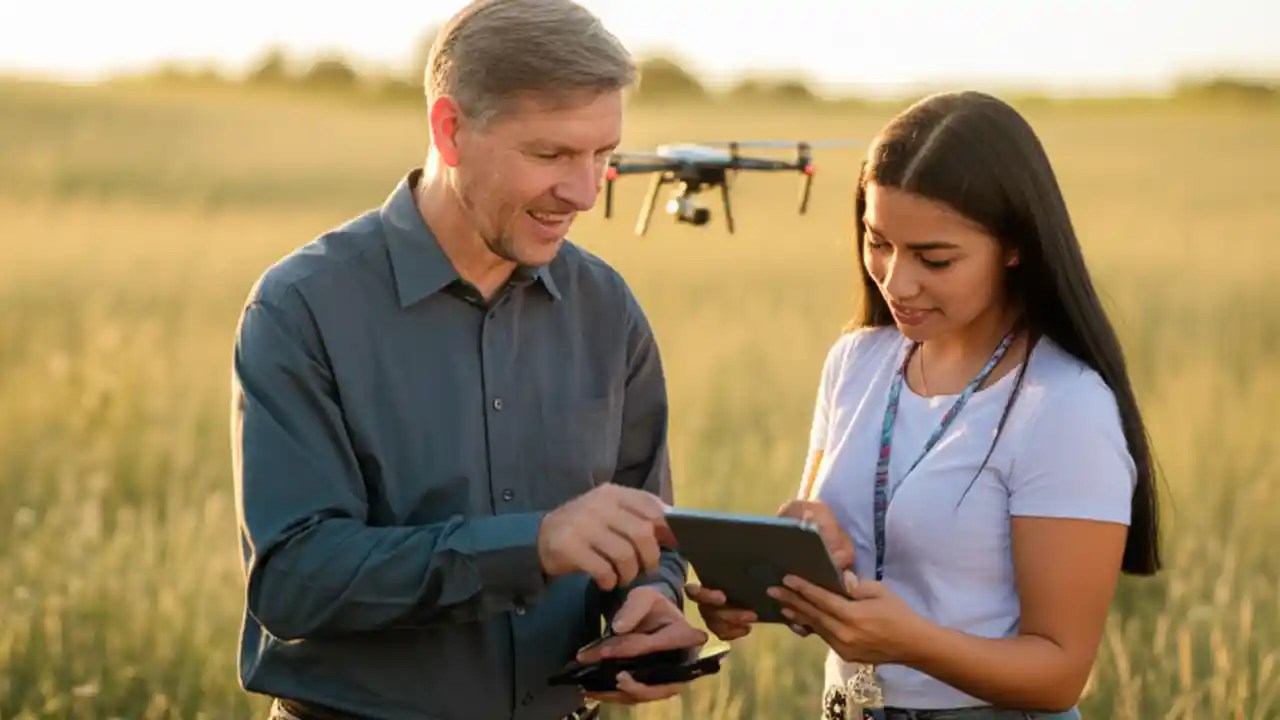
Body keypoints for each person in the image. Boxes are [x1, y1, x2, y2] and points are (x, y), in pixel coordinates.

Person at [228, 1, 707, 718]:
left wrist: (650, 599)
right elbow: (295, 582)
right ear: (450, 130)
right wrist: (531, 546)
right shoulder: (303, 307)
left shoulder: (607, 309)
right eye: (550, 155)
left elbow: (649, 526)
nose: (582, 192)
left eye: (602, 156)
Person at [689, 90, 1162, 720]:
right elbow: (831, 545)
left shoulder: (1064, 407)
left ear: (1015, 247)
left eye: (934, 259)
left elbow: (1059, 674)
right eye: (877, 241)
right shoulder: (856, 362)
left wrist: (912, 645)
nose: (895, 281)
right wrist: (776, 581)